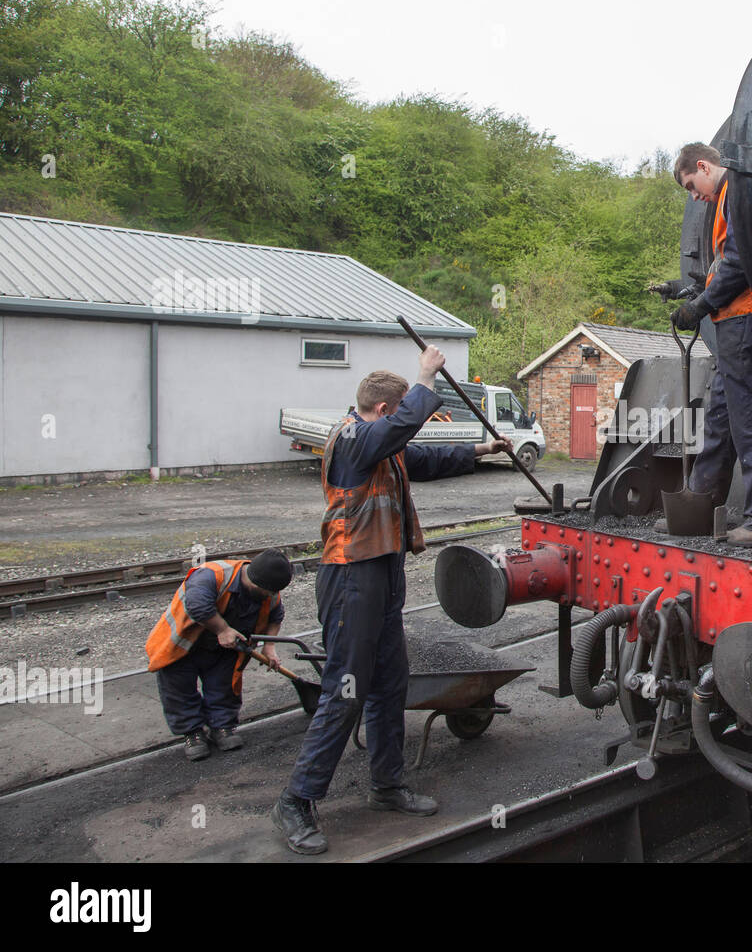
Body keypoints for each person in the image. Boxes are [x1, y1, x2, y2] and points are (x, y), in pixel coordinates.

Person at [272, 346, 509, 855]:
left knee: (387, 683)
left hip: (383, 572)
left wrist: (478, 453)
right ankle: (296, 800)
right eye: (401, 417)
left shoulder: (383, 446)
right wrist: (425, 376)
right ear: (384, 411)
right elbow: (399, 435)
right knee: (346, 690)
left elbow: (420, 458)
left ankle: (386, 784)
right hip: (350, 578)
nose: (407, 430)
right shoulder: (352, 439)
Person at [663, 142, 752, 547]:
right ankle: (699, 507)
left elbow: (740, 263)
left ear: (703, 165)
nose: (694, 195)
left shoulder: (737, 191)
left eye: (690, 184)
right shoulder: (727, 200)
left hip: (750, 322)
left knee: (750, 420)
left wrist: (699, 306)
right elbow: (724, 268)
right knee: (720, 420)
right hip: (736, 326)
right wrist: (686, 290)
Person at [146, 549, 293, 760]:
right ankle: (193, 733)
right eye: (266, 592)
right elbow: (197, 605)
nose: (270, 597)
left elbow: (276, 616)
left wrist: (269, 646)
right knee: (179, 689)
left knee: (224, 686)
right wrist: (223, 630)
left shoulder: (268, 589)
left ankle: (222, 727)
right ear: (252, 580)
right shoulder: (211, 575)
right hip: (183, 643)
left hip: (224, 649)